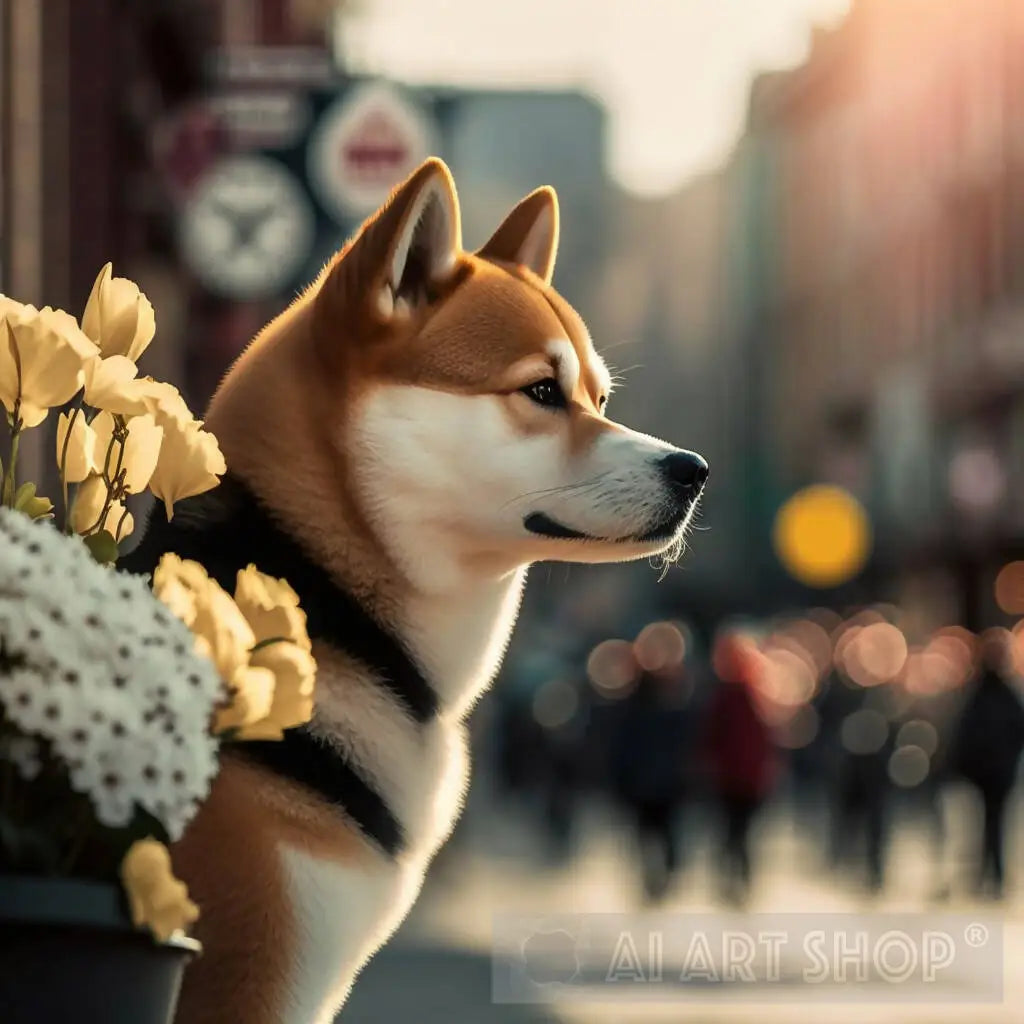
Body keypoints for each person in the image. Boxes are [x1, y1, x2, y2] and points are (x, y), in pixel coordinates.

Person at [701, 631, 779, 905]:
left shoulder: (756, 694)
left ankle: (740, 879)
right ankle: (732, 878)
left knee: (740, 832)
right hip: (729, 777)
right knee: (731, 832)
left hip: (748, 778)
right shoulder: (722, 697)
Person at [608, 658, 692, 904]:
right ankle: (662, 873)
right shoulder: (670, 711)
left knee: (647, 833)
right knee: (664, 832)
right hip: (663, 785)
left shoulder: (631, 713)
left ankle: (655, 875)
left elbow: (620, 751)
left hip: (643, 785)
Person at [951, 630, 1024, 898]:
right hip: (991, 773)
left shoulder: (982, 694)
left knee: (990, 824)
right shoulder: (995, 694)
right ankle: (989, 875)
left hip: (992, 773)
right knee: (989, 824)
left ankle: (990, 875)